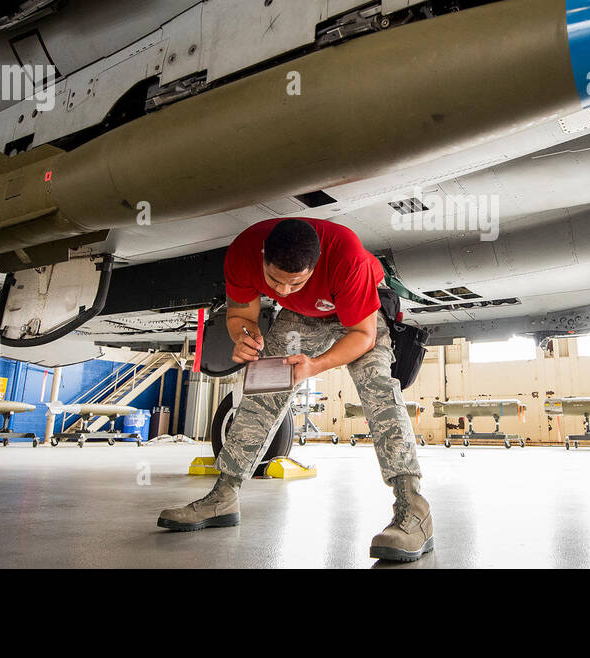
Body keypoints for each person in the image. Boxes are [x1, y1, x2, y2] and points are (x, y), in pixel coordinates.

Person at [156, 218, 433, 561]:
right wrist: (243, 336)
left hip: (359, 307)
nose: (284, 291)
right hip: (302, 316)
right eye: (275, 280)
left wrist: (315, 366)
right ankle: (222, 496)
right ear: (262, 257)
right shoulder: (243, 253)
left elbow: (363, 336)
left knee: (377, 389)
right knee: (262, 386)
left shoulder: (347, 259)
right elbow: (241, 314)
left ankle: (413, 511)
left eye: (296, 282)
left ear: (315, 267)